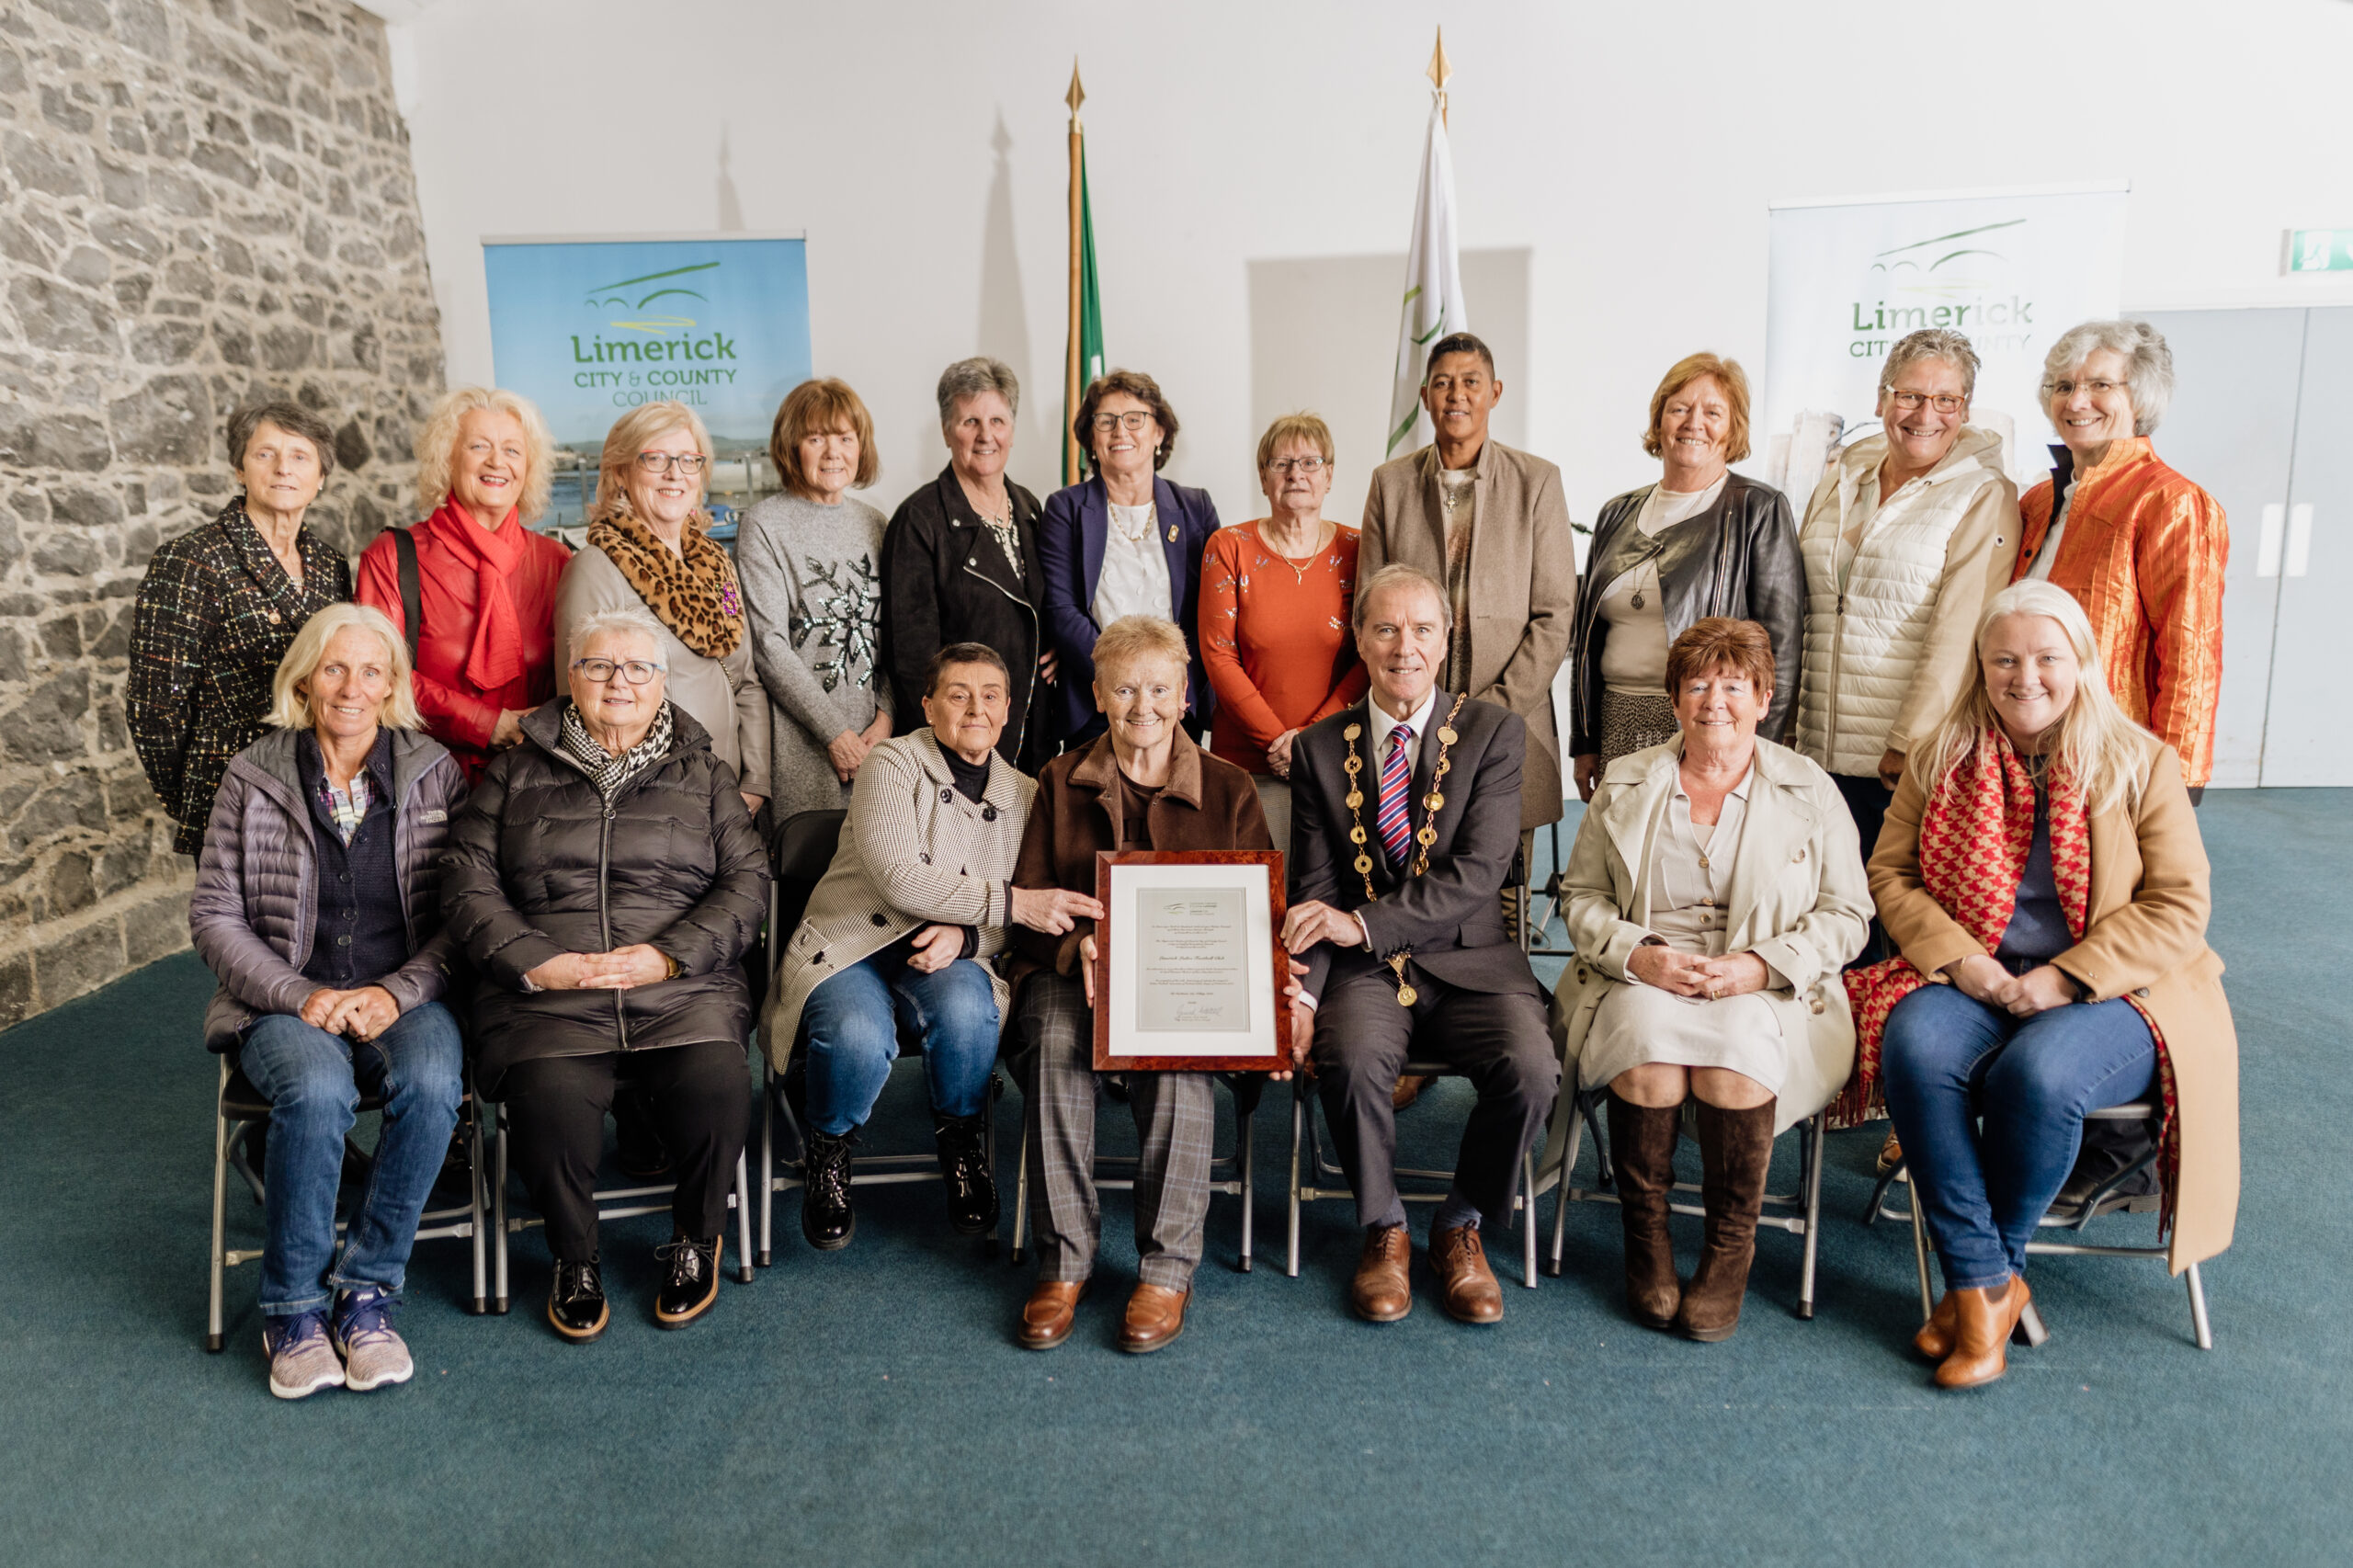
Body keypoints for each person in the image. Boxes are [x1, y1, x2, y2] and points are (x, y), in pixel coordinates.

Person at [1851, 579, 2238, 1389]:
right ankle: (1991, 1287)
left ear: (2082, 663)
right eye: (2005, 660)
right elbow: (1891, 875)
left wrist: (2068, 976)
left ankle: (1979, 1283)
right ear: (1980, 667)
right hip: (1980, 975)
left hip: (2120, 989)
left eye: (2047, 659)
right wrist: (1963, 961)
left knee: (2037, 1077)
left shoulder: (2139, 760)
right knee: (1914, 1046)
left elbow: (2179, 906)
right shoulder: (1939, 755)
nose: (2025, 677)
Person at [439, 607, 770, 1341]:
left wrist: (670, 956)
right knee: (550, 1100)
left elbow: (748, 883)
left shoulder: (704, 772)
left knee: (718, 1084)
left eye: (638, 668)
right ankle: (575, 1257)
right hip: (551, 995)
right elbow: (465, 880)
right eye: (599, 666)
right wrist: (537, 964)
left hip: (680, 987)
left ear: (662, 682)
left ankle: (696, 1240)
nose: (619, 681)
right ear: (571, 677)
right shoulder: (515, 770)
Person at [1552, 618, 1870, 1341]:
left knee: (1734, 1064)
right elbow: (1583, 898)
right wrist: (1641, 955)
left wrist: (1760, 966)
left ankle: (1729, 1253)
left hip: (1765, 986)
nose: (1714, 702)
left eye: (1734, 686)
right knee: (1647, 1053)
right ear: (1673, 699)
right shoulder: (1628, 781)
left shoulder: (1810, 789)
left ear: (1764, 698)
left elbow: (1849, 914)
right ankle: (1648, 1241)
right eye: (1697, 685)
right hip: (1643, 977)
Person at [187, 603, 466, 1399]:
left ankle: (366, 1292)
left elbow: (463, 914)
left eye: (371, 671)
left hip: (401, 995)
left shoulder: (434, 771)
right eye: (335, 668)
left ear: (393, 684)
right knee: (315, 1090)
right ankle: (293, 1311)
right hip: (282, 1000)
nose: (352, 687)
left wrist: (397, 991)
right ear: (305, 678)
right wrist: (299, 994)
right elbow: (214, 915)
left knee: (435, 1084)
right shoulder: (252, 775)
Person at [1280, 563, 1560, 1326]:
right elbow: (1315, 892)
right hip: (1365, 972)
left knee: (1532, 1070)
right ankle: (1385, 1228)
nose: (1404, 646)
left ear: (1445, 640)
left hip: (1471, 961)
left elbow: (1479, 873)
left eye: (1422, 629)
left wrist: (1365, 923)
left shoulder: (1495, 733)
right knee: (1349, 1059)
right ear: (1359, 640)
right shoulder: (1317, 749)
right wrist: (1302, 997)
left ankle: (1460, 1224)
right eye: (1386, 629)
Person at [1006, 615, 1269, 1353]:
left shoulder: (1230, 787)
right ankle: (1064, 1261)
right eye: (1124, 689)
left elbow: (1259, 916)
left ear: (1185, 696)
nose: (1142, 705)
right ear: (1097, 694)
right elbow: (1029, 909)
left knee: (1179, 1056)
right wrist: (1081, 946)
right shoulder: (1059, 780)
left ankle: (1165, 1270)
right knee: (1055, 1043)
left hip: (1185, 982)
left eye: (1159, 689)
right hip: (1074, 974)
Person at [764, 643, 1036, 1249]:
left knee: (969, 1011)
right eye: (958, 695)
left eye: (990, 696)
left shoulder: (1025, 795)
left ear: (1008, 709)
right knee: (857, 1033)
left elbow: (1023, 920)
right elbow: (901, 879)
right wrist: (1005, 905)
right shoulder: (891, 762)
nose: (976, 708)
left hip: (943, 952)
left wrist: (970, 936)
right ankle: (829, 1147)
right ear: (929, 706)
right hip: (854, 939)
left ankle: (961, 1142)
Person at [1795, 328, 2019, 961]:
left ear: (1965, 409)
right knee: (1819, 911)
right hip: (1816, 744)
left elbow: (1961, 628)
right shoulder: (1845, 475)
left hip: (1897, 759)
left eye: (1947, 400)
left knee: (1886, 918)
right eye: (1910, 395)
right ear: (1881, 397)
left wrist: (1911, 741)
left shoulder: (1982, 493)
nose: (1926, 414)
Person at [1359, 333, 1575, 840]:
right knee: (1410, 862)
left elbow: (1555, 615)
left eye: (1471, 382)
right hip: (1410, 718)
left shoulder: (1537, 481)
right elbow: (1368, 610)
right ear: (1425, 397)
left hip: (1511, 716)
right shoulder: (1391, 483)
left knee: (1501, 867)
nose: (1457, 395)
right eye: (1443, 383)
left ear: (1494, 393)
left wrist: (1490, 712)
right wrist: (1417, 708)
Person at [1571, 353, 1805, 798]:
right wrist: (1585, 742)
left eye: (1713, 412)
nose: (1694, 422)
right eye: (1679, 408)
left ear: (1733, 428)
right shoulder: (1616, 512)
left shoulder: (1758, 509)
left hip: (1707, 723)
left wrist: (1758, 749)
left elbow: (1782, 648)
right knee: (1621, 840)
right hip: (1616, 718)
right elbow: (1587, 639)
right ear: (1659, 420)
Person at [2012, 319, 2227, 800]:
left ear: (2142, 399)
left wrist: (2179, 778)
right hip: (2019, 746)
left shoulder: (2171, 502)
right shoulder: (2039, 501)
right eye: (2063, 386)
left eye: (2100, 385)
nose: (2076, 402)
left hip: (2110, 756)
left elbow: (2191, 649)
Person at [131, 402, 353, 857]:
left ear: (320, 477)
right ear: (239, 468)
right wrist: (195, 796)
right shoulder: (191, 559)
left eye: (300, 456)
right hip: (235, 795)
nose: (283, 468)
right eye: (265, 454)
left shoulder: (331, 565)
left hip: (325, 790)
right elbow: (154, 708)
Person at [553, 401, 767, 818]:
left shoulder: (719, 567)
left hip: (731, 798)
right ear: (621, 472)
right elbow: (583, 710)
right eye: (656, 459)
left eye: (688, 460)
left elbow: (746, 679)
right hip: (653, 807)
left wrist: (755, 783)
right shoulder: (595, 568)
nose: (675, 474)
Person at [355, 386, 572, 784]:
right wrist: (488, 724)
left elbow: (582, 672)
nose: (497, 461)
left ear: (529, 466)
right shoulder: (392, 557)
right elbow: (375, 673)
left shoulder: (556, 562)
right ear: (447, 457)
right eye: (478, 446)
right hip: (428, 784)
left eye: (512, 450)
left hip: (541, 785)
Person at [1199, 412, 1369, 853]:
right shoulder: (1228, 547)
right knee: (1256, 886)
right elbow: (1218, 656)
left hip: (1338, 758)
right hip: (1247, 764)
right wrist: (1279, 743)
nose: (1296, 473)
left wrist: (1310, 743)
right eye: (1281, 463)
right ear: (1263, 477)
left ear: (1329, 475)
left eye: (1310, 462)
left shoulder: (1360, 549)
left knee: (1330, 886)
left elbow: (1370, 656)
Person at [881, 358, 1057, 771]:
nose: (985, 435)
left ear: (1012, 429)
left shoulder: (1030, 508)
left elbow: (1042, 609)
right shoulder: (919, 519)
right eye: (970, 422)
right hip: (961, 747)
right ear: (946, 431)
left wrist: (1059, 645)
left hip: (1032, 737)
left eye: (997, 421)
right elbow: (912, 661)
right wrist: (956, 755)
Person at [1036, 369, 1222, 747]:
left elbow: (1211, 609)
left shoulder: (1195, 508)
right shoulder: (1064, 508)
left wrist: (1168, 685)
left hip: (1176, 703)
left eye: (1135, 419)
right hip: (1096, 704)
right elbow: (1061, 610)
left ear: (1160, 432)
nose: (1120, 431)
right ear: (1092, 437)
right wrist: (1119, 681)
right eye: (1106, 421)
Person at [737, 378, 894, 821]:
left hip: (878, 745)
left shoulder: (877, 524)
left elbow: (896, 635)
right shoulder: (763, 525)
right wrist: (835, 734)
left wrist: (886, 717)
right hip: (803, 748)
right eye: (816, 438)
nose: (833, 453)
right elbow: (769, 647)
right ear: (792, 447)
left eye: (845, 438)